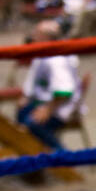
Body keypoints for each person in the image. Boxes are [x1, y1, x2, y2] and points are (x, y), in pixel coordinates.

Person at [16, 20, 83, 150]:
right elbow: (33, 82)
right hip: (43, 101)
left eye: (36, 34)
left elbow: (64, 91)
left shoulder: (56, 59)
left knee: (33, 123)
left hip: (58, 107)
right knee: (21, 114)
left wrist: (48, 109)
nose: (32, 37)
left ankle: (62, 155)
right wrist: (26, 95)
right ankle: (31, 156)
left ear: (45, 37)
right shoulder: (43, 53)